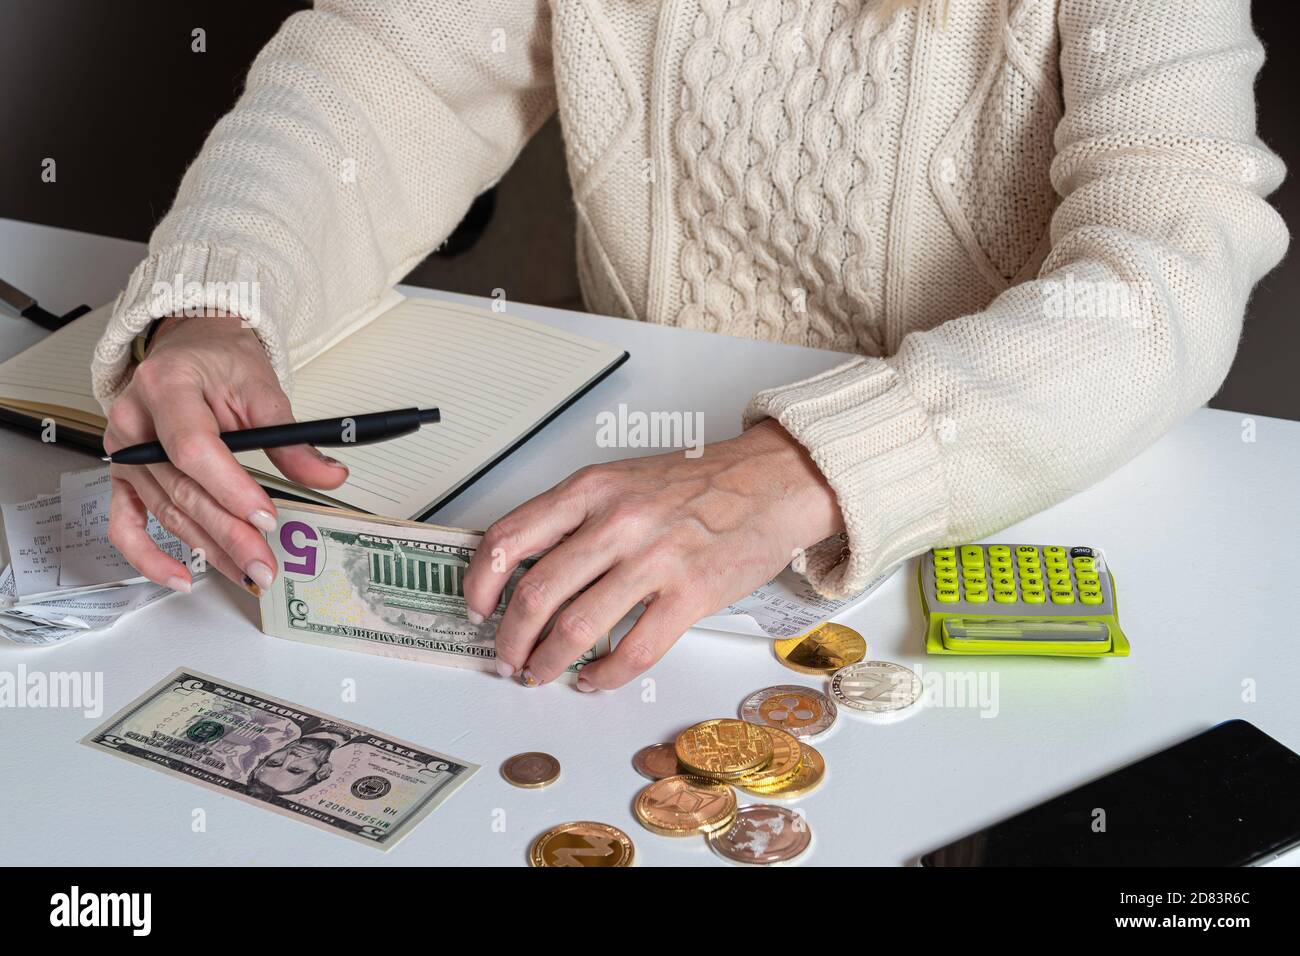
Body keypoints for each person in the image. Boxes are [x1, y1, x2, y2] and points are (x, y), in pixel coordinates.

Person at [92, 0, 1287, 692]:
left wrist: (800, 471)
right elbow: (391, 60)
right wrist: (222, 299)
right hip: (623, 479)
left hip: (993, 490)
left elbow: (1166, 266)